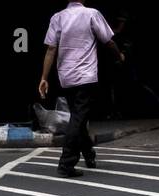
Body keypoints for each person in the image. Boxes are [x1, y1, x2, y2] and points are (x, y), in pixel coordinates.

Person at [39, 2, 125, 178]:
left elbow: (51, 49)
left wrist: (44, 77)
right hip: (85, 76)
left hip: (67, 77)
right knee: (78, 118)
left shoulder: (58, 17)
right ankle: (66, 163)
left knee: (79, 116)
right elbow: (108, 41)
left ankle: (89, 154)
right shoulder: (92, 14)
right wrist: (119, 56)